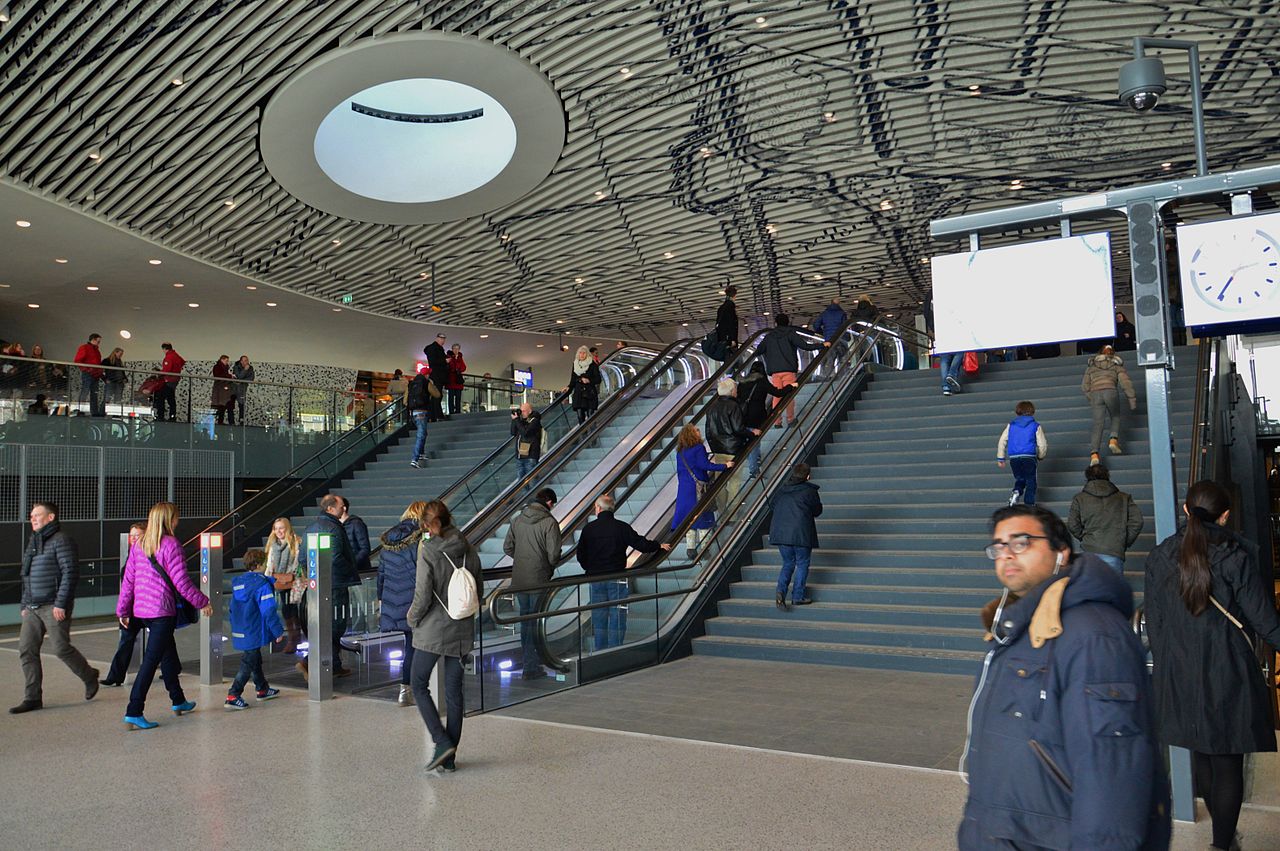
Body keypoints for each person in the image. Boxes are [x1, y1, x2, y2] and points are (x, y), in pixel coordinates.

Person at [958, 504, 1171, 850]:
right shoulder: (1022, 626)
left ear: (1061, 552)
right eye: (998, 547)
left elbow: (1111, 768)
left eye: (1021, 542)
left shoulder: (1093, 635)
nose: (1006, 555)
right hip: (1009, 829)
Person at [1143, 481, 1280, 851]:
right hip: (1227, 670)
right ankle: (1222, 844)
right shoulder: (1234, 556)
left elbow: (1154, 623)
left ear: (1186, 511)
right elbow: (1263, 619)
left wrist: (1169, 663)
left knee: (1200, 751)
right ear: (1225, 515)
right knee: (1227, 761)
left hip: (1179, 671)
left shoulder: (1159, 557)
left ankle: (1223, 839)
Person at [116, 501, 212, 729]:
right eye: (176, 517)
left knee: (167, 655)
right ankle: (134, 710)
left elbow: (128, 581)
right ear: (170, 520)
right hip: (161, 611)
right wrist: (203, 601)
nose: (178, 521)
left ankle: (178, 700)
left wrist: (123, 610)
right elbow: (181, 582)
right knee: (150, 662)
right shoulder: (171, 545)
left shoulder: (140, 544)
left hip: (142, 611)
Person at [406, 500, 483, 772]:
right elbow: (478, 589)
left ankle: (441, 741)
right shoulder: (468, 548)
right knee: (454, 693)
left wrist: (412, 618)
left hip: (433, 628)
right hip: (462, 628)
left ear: (426, 525)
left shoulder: (428, 549)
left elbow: (423, 594)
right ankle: (449, 758)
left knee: (417, 683)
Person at [11, 501, 101, 714]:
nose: (32, 518)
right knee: (26, 650)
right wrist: (25, 603)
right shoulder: (34, 541)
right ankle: (32, 698)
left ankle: (89, 676)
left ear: (51, 517)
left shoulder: (62, 540)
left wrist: (61, 603)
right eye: (31, 515)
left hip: (53, 604)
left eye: (37, 515)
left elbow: (70, 573)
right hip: (32, 606)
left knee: (61, 648)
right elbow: (27, 575)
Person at [578, 493, 671, 650]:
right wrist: (658, 545)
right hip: (617, 577)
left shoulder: (589, 529)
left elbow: (581, 555)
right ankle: (615, 650)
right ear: (612, 509)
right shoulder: (621, 527)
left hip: (595, 578)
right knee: (617, 614)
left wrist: (590, 568)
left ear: (598, 509)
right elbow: (640, 544)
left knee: (599, 614)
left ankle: (600, 650)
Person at [503, 488, 562, 679]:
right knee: (536, 623)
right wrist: (545, 565)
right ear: (550, 503)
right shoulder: (549, 522)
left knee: (525, 621)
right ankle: (533, 665)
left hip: (520, 580)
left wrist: (522, 559)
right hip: (539, 580)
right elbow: (553, 554)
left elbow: (507, 547)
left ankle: (529, 662)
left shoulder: (517, 519)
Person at [301, 495, 358, 680]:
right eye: (341, 506)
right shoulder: (333, 527)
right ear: (331, 509)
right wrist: (350, 570)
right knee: (335, 625)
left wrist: (311, 575)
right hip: (335, 585)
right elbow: (335, 558)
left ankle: (333, 665)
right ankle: (310, 660)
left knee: (324, 624)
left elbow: (303, 558)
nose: (344, 510)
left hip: (316, 586)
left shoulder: (311, 527)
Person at [379, 501, 430, 707]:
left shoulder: (388, 539)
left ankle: (405, 690)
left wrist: (381, 598)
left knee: (410, 644)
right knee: (420, 645)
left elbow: (381, 573)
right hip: (415, 598)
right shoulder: (422, 537)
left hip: (393, 599)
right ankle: (420, 688)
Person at [225, 549, 283, 709]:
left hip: (241, 626)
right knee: (248, 661)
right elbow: (268, 610)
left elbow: (232, 608)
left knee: (254, 657)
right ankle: (233, 694)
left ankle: (262, 688)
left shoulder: (238, 583)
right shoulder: (262, 584)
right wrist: (277, 631)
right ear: (259, 564)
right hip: (254, 628)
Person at [1066, 464, 1144, 574]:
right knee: (1113, 589)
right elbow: (1137, 521)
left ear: (1087, 478)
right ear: (1107, 476)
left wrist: (1084, 538)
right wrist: (1122, 540)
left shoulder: (1079, 498)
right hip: (1114, 550)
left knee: (1092, 589)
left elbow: (1073, 524)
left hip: (1089, 551)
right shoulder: (1123, 497)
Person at [769, 463, 823, 609]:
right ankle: (797, 596)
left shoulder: (781, 490)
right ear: (807, 476)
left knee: (787, 563)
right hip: (801, 534)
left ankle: (780, 591)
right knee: (802, 563)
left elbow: (772, 506)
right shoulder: (809, 491)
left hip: (781, 534)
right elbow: (817, 510)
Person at [101, 523, 148, 687]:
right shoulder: (132, 554)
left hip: (147, 605)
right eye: (132, 535)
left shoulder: (149, 553)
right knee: (126, 640)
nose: (134, 538)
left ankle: (173, 667)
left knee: (164, 641)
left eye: (138, 535)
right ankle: (115, 675)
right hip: (133, 607)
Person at [672, 423, 730, 557]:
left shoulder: (680, 452)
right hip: (697, 488)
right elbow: (704, 465)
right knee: (703, 515)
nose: (699, 432)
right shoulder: (698, 448)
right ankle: (705, 548)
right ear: (691, 434)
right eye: (696, 430)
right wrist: (724, 466)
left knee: (688, 518)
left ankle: (690, 548)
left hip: (684, 489)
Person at [759, 314, 827, 425]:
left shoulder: (769, 336)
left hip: (775, 372)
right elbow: (805, 346)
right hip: (788, 370)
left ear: (776, 323)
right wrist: (822, 345)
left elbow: (760, 349)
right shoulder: (790, 333)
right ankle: (790, 419)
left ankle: (776, 421)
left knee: (777, 396)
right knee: (788, 395)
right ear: (787, 323)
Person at [1081, 344, 1137, 464]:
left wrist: (1091, 397)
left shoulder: (1091, 366)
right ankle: (1113, 439)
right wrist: (1131, 399)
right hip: (1110, 391)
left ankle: (1094, 454)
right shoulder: (1116, 365)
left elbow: (1085, 385)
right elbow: (1125, 383)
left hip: (1096, 393)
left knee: (1097, 424)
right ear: (1112, 354)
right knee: (1115, 416)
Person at [736, 362, 793, 477]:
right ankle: (754, 471)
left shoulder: (742, 383)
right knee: (754, 444)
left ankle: (754, 461)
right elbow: (777, 392)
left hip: (742, 417)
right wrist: (790, 386)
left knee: (749, 441)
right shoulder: (762, 381)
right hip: (757, 417)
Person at [704, 379, 752, 508]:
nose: (737, 391)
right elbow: (738, 428)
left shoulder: (711, 407)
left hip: (718, 450)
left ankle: (721, 512)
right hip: (734, 450)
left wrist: (714, 446)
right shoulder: (733, 406)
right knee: (734, 483)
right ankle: (732, 515)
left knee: (720, 483)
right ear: (731, 391)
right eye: (735, 389)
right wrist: (752, 434)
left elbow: (708, 431)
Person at [996, 400, 1047, 506]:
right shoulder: (1035, 425)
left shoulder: (1011, 425)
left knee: (1020, 478)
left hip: (1014, 457)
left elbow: (1002, 441)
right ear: (1032, 411)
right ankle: (1029, 504)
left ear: (1017, 411)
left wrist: (1001, 458)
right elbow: (1042, 444)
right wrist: (1041, 456)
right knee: (1031, 480)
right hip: (1029, 457)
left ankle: (1017, 491)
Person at [265, 517, 304, 654]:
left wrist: (290, 575)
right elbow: (270, 563)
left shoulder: (296, 542)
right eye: (276, 528)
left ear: (287, 528)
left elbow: (297, 563)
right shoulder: (273, 544)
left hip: (295, 582)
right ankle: (293, 638)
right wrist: (267, 577)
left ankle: (295, 638)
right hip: (279, 581)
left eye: (281, 528)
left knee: (292, 609)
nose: (278, 531)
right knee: (286, 609)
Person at [565, 345, 602, 425]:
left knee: (590, 415)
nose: (581, 355)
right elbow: (573, 379)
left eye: (584, 353)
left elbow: (598, 379)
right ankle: (584, 436)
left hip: (590, 393)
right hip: (579, 394)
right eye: (580, 353)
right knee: (580, 416)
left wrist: (589, 380)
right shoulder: (575, 364)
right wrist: (568, 387)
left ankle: (593, 434)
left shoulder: (592, 364)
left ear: (587, 354)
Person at [73, 333, 105, 417]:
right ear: (93, 340)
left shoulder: (96, 351)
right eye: (98, 341)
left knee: (94, 393)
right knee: (86, 391)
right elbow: (78, 360)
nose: (99, 343)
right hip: (88, 373)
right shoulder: (85, 348)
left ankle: (93, 411)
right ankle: (80, 409)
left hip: (95, 375)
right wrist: (86, 369)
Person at [339, 496, 372, 574]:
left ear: (344, 508)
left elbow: (365, 548)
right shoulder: (335, 525)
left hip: (359, 570)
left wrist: (352, 564)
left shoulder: (356, 523)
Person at [511, 401, 543, 481]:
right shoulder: (521, 421)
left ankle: (535, 494)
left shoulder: (534, 421)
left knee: (532, 481)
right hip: (520, 456)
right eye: (521, 411)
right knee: (520, 484)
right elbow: (513, 432)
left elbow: (525, 433)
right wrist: (514, 420)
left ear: (530, 411)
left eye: (524, 411)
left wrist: (517, 420)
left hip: (530, 456)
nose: (522, 413)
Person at [406, 367, 431, 468]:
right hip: (422, 411)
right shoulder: (426, 383)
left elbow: (405, 400)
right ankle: (414, 459)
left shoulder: (412, 384)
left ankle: (421, 454)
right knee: (421, 435)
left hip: (413, 413)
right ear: (427, 375)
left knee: (423, 433)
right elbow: (436, 394)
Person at [422, 332, 448, 421]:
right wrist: (445, 361)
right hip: (438, 375)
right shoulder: (435, 349)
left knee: (436, 395)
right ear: (437, 338)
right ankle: (437, 415)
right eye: (442, 339)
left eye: (444, 339)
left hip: (437, 375)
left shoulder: (435, 349)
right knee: (437, 395)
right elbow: (435, 361)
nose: (443, 341)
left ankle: (434, 415)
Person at [155, 342, 184, 422]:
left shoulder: (169, 357)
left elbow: (167, 370)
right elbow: (182, 362)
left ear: (164, 349)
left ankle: (160, 416)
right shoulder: (176, 355)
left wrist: (160, 373)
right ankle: (172, 416)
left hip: (169, 380)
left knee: (160, 397)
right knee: (171, 398)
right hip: (175, 379)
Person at [211, 354, 236, 425]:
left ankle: (220, 421)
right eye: (226, 360)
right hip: (221, 389)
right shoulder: (218, 367)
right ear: (222, 360)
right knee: (221, 406)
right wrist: (230, 376)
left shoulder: (222, 367)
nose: (227, 362)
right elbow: (219, 375)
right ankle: (220, 421)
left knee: (222, 406)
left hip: (222, 390)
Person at [714, 285, 738, 353]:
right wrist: (733, 339)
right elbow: (731, 324)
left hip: (722, 338)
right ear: (734, 296)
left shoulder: (721, 308)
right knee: (730, 356)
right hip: (728, 339)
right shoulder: (730, 307)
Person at [232, 355, 254, 424]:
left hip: (243, 389)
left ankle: (241, 420)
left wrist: (241, 381)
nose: (246, 362)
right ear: (241, 361)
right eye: (245, 360)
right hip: (234, 389)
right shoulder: (236, 367)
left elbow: (251, 379)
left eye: (247, 360)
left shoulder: (250, 368)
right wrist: (245, 370)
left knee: (242, 405)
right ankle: (231, 421)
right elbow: (239, 376)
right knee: (231, 405)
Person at [102, 347, 126, 411]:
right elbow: (100, 370)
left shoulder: (120, 362)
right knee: (107, 398)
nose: (121, 355)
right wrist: (105, 379)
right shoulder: (107, 361)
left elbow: (122, 372)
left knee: (118, 399)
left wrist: (124, 378)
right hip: (111, 381)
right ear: (115, 352)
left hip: (119, 382)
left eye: (121, 354)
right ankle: (103, 411)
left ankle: (116, 413)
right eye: (120, 354)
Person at [445, 344, 466, 415]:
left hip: (458, 381)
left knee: (458, 397)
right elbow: (452, 366)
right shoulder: (449, 356)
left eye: (457, 349)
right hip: (451, 380)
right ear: (452, 349)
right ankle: (451, 412)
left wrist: (457, 367)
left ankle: (458, 411)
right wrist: (457, 366)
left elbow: (463, 368)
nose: (456, 350)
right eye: (454, 348)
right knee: (451, 397)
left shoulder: (460, 357)